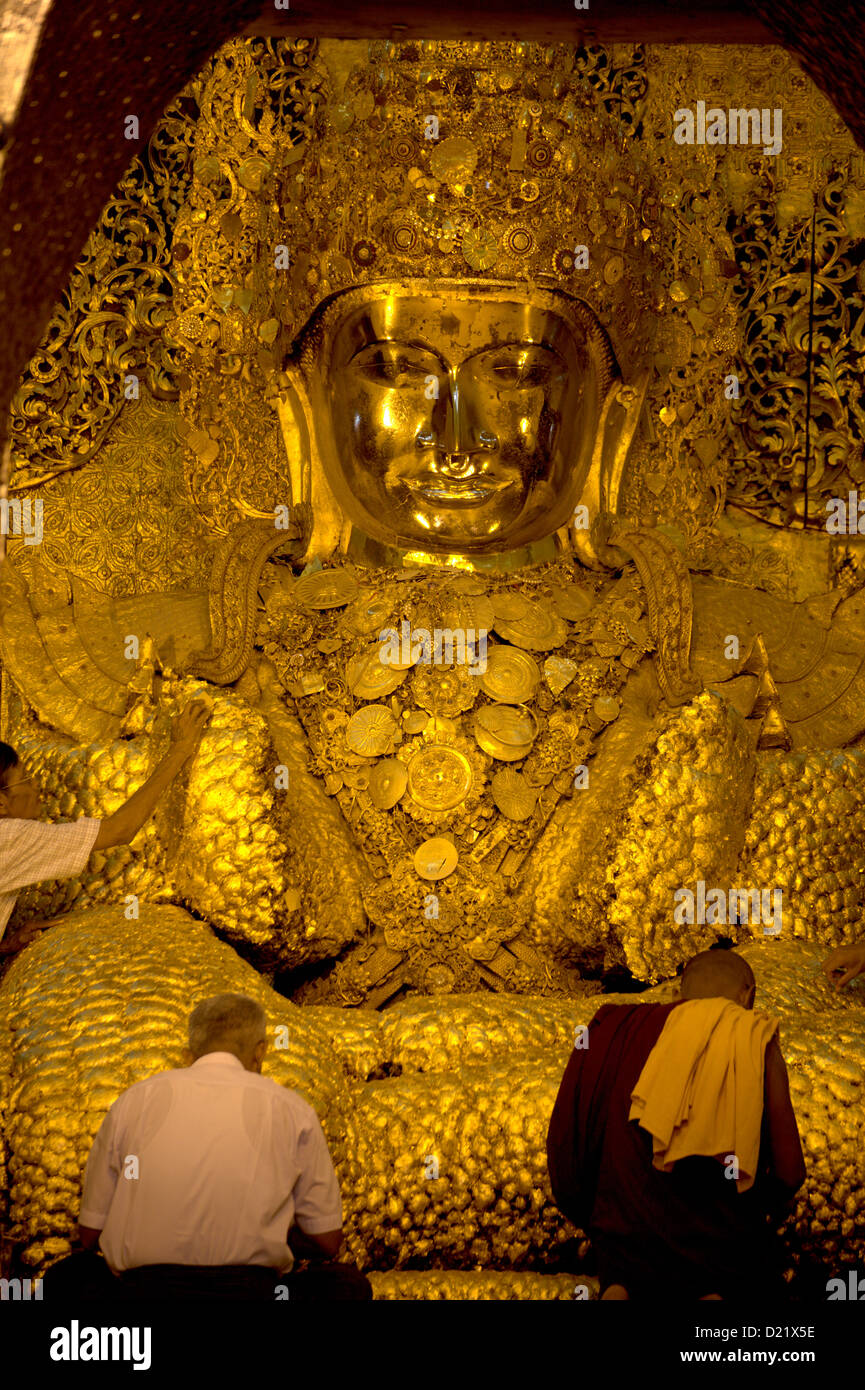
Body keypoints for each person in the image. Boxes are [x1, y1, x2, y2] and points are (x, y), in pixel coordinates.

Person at [42, 993, 371, 1301]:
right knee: (347, 1285)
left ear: (187, 1054)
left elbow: (88, 1234)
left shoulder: (133, 1100)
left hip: (146, 1292)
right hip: (249, 1291)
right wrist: (272, 1231)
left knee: (68, 1276)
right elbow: (328, 1241)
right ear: (261, 1051)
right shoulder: (291, 1108)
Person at [546, 948, 806, 1301]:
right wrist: (760, 1206)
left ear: (676, 995)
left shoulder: (615, 1026)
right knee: (736, 1262)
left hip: (624, 1240)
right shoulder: (754, 1034)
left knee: (625, 1254)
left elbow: (571, 1135)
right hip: (717, 1247)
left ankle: (618, 1286)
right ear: (748, 996)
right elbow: (791, 1173)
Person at [0, 698, 209, 960]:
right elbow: (120, 830)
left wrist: (7, 945)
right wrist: (180, 748)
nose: (36, 788)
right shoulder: (8, 838)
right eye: (26, 780)